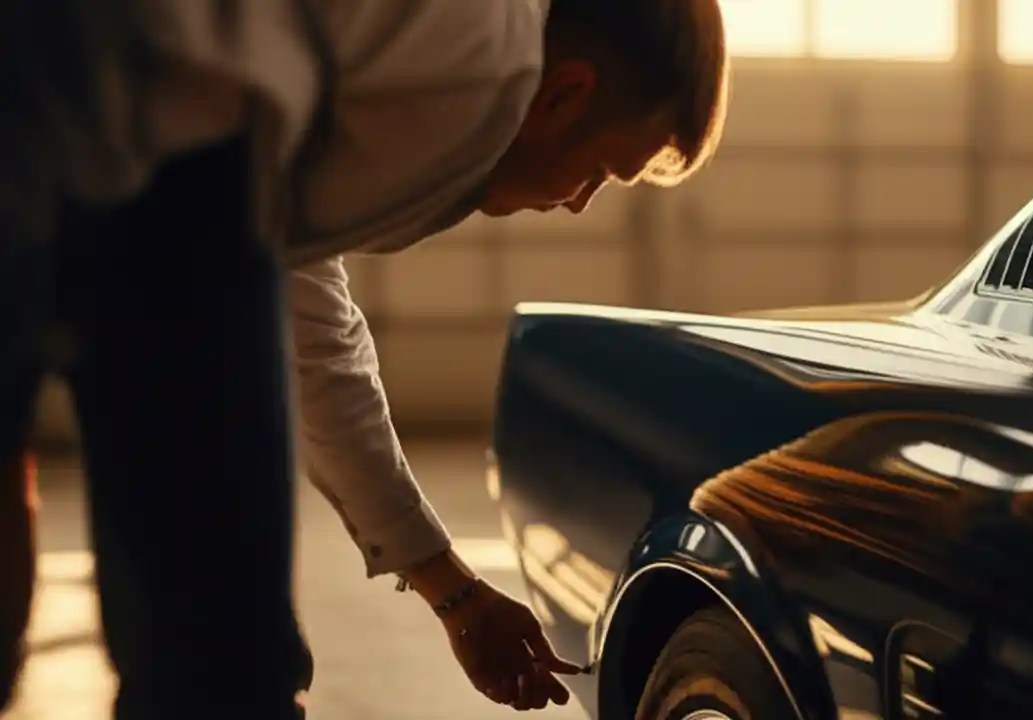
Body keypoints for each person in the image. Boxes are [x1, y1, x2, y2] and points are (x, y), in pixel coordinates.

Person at [0, 0, 730, 717]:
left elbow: (299, 299)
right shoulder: (479, 77)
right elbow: (312, 340)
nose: (578, 204)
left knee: (221, 659)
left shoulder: (414, 57)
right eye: (601, 170)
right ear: (565, 95)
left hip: (125, 136)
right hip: (68, 106)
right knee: (223, 668)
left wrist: (456, 594)